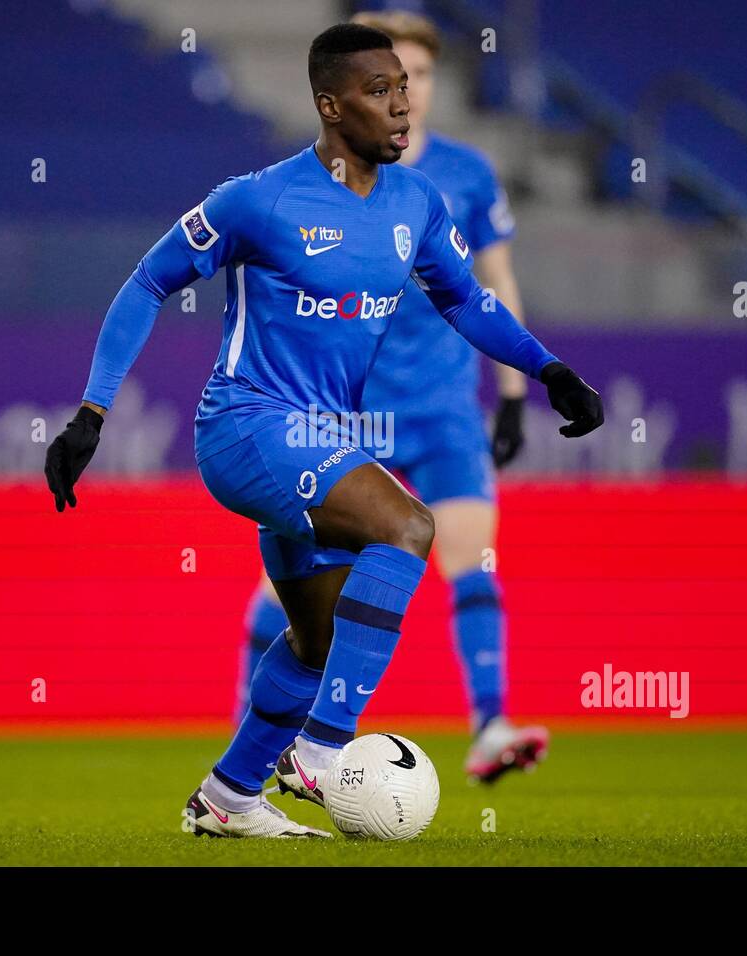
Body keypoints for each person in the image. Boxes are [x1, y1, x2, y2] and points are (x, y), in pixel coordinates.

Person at [45, 23, 603, 838]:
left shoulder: (417, 202)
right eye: (380, 91)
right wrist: (92, 411)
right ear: (331, 106)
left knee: (314, 640)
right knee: (410, 526)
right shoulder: (259, 200)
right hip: (245, 427)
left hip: (322, 438)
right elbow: (147, 280)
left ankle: (229, 797)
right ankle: (324, 748)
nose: (401, 105)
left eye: (404, 88)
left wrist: (548, 369)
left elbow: (466, 299)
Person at [235, 10, 549, 784]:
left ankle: (488, 725)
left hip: (442, 405)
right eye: (392, 78)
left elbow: (494, 286)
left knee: (471, 551)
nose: (410, 93)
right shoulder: (326, 176)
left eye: (422, 77)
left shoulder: (468, 175)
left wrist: (513, 392)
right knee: (292, 588)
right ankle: (254, 735)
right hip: (349, 409)